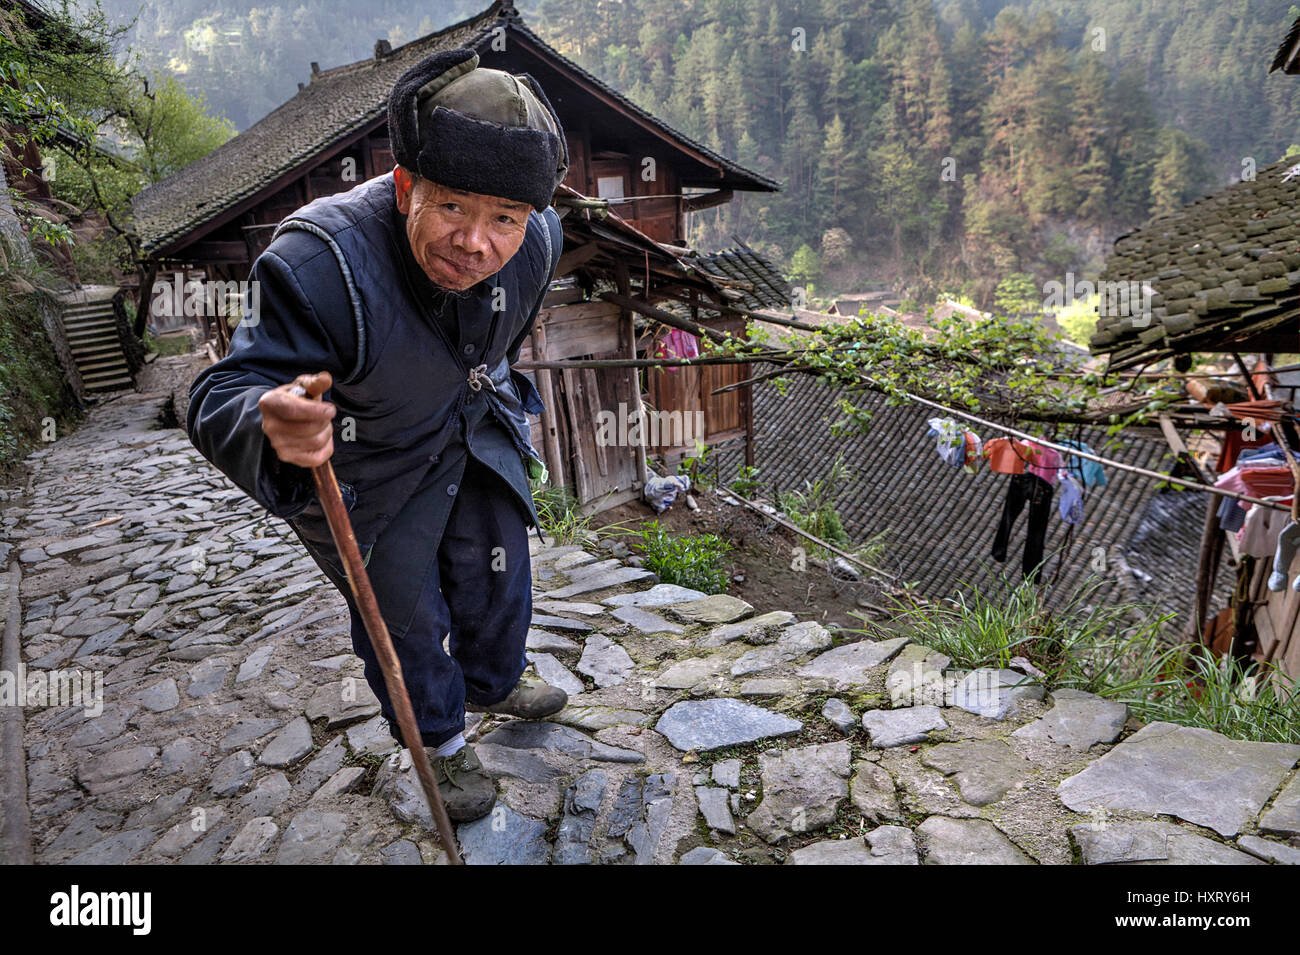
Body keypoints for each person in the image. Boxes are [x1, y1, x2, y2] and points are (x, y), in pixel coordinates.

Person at [187, 46, 570, 823]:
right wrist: (271, 422)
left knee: (501, 568)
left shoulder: (539, 244)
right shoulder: (317, 262)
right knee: (407, 617)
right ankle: (441, 743)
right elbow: (219, 390)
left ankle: (497, 679)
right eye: (454, 207)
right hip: (363, 468)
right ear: (405, 188)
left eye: (504, 217)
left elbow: (503, 342)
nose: (477, 243)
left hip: (466, 428)